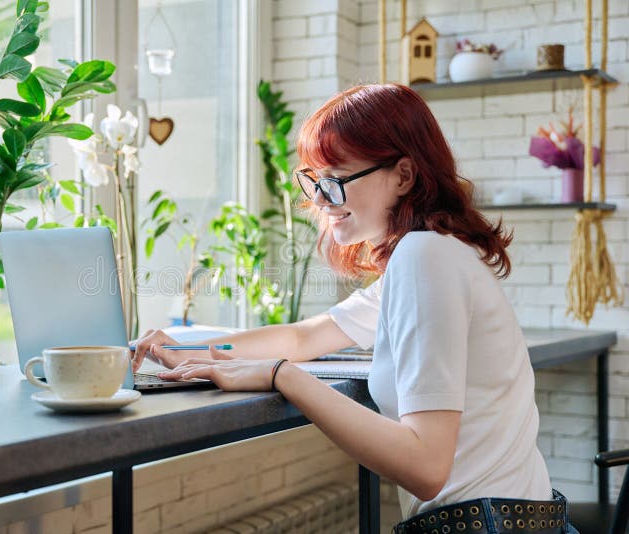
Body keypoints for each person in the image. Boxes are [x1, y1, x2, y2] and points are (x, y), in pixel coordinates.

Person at [131, 83, 577, 534]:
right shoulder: (433, 254)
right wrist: (190, 348)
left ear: (404, 175)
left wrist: (282, 375)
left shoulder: (425, 258)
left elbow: (426, 467)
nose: (322, 201)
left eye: (337, 181)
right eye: (316, 181)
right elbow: (308, 335)